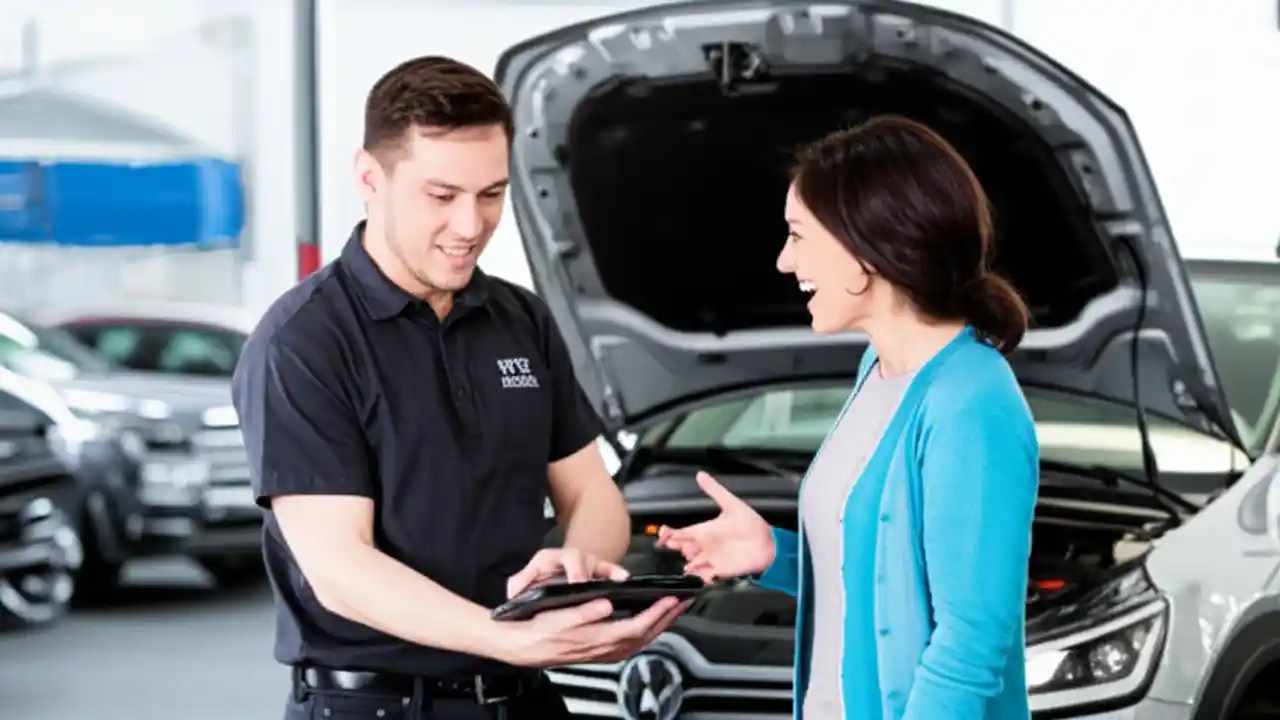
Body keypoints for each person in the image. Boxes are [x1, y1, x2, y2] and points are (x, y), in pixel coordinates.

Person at [233, 55, 689, 720]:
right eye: (441, 197)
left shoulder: (521, 319)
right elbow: (340, 570)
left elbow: (591, 491)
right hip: (378, 707)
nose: (471, 226)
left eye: (491, 194)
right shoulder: (303, 342)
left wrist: (575, 566)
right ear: (370, 178)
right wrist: (511, 638)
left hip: (524, 699)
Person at [657, 115, 1041, 720]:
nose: (785, 261)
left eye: (799, 235)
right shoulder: (878, 369)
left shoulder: (972, 399)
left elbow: (970, 643)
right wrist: (774, 554)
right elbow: (877, 586)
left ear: (867, 246)